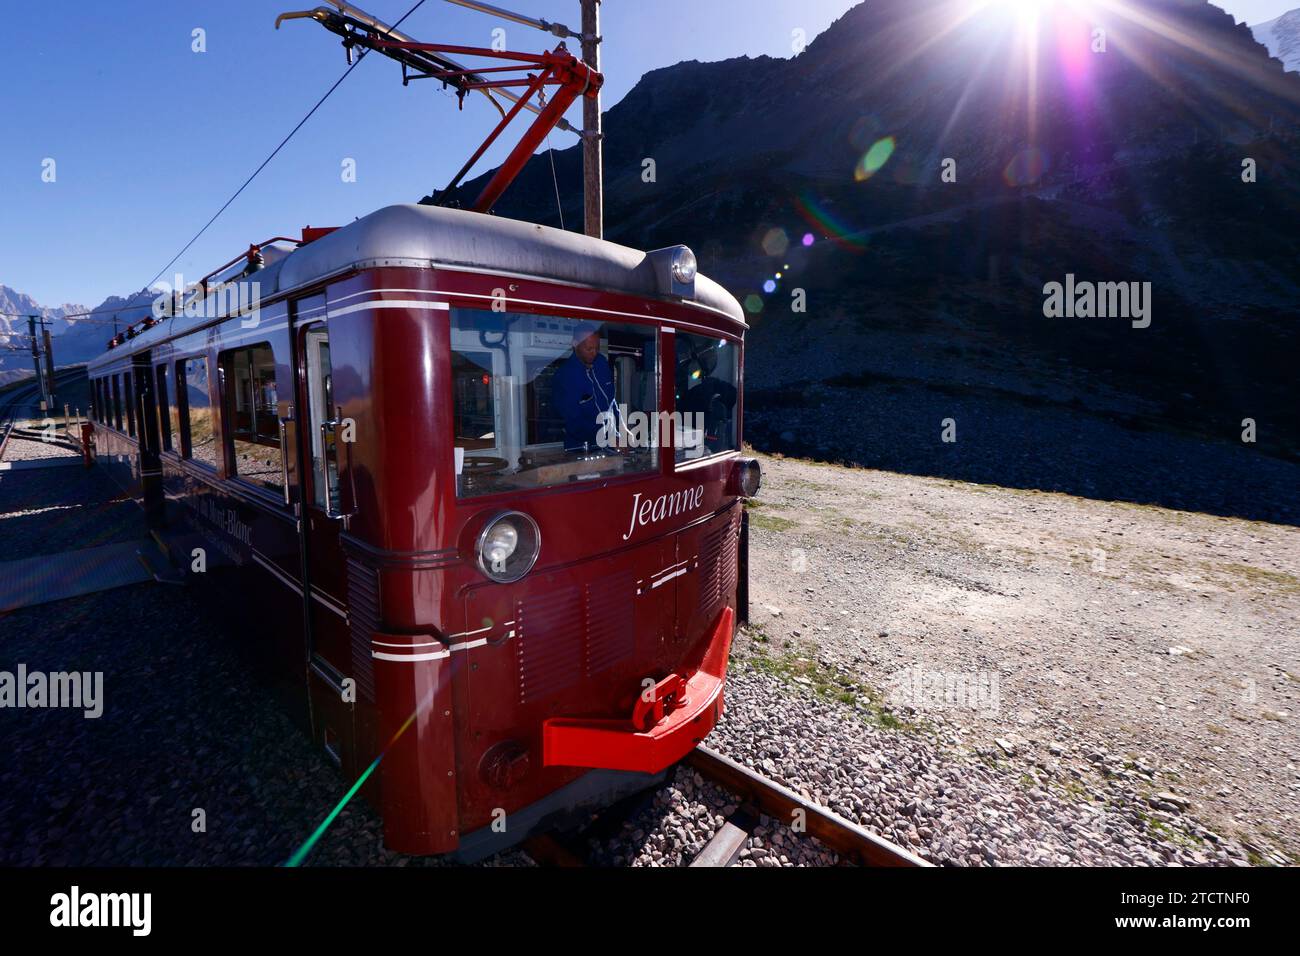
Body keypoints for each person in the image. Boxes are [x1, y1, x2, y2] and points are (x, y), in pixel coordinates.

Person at [552, 323, 619, 452]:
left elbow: (611, 403)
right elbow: (573, 423)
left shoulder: (601, 363)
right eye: (589, 349)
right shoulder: (565, 376)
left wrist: (619, 432)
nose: (594, 353)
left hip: (610, 444)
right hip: (581, 448)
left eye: (597, 348)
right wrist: (606, 437)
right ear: (575, 344)